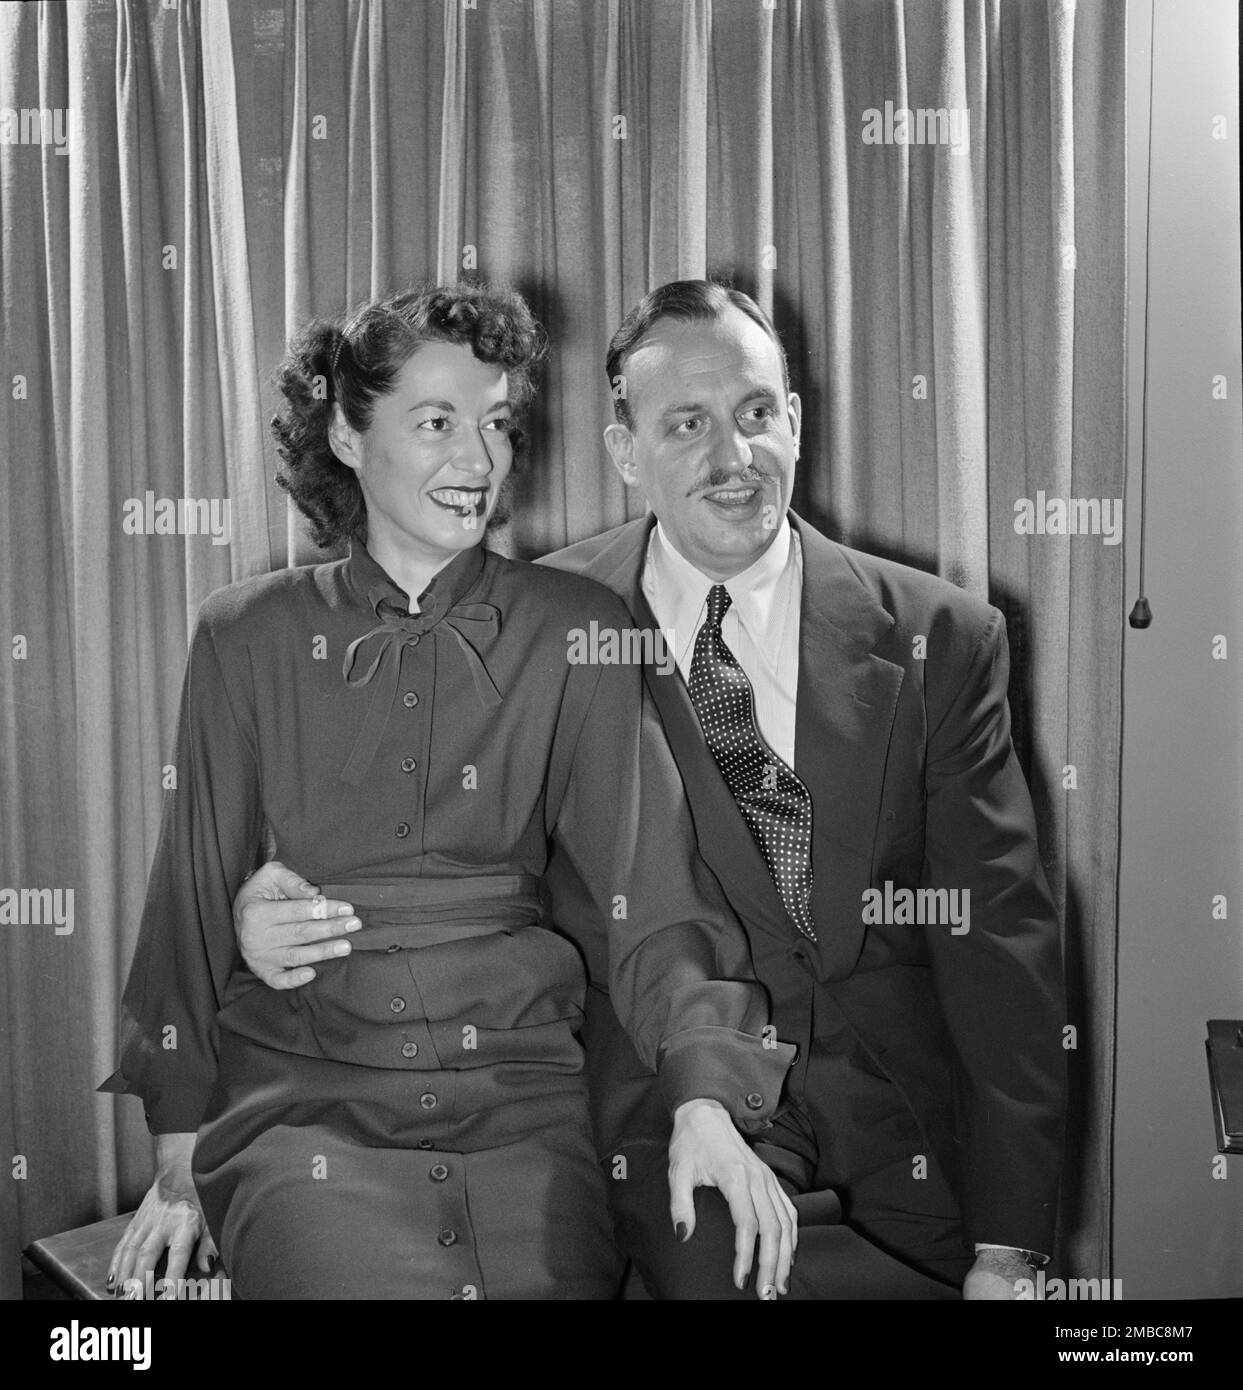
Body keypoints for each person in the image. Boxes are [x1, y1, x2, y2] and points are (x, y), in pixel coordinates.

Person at [235, 280, 1067, 1301]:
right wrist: (254, 902)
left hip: (903, 1130)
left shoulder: (945, 638)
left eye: (756, 414)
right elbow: (418, 857)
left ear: (795, 423)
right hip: (661, 1117)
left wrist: (1010, 1243)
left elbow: (1003, 953)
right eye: (686, 424)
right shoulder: (534, 620)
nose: (733, 457)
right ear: (626, 451)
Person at [100, 283, 801, 1301]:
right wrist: (178, 1161)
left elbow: (650, 896)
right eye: (436, 423)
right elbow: (192, 908)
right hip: (305, 1105)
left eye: (497, 424)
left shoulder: (579, 629)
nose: (478, 463)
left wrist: (701, 1099)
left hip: (524, 1102)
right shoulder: (241, 635)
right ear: (345, 431)